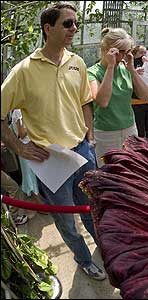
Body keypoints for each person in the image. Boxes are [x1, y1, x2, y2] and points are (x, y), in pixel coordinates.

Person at [1, 2, 106, 280]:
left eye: (75, 23)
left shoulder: (77, 63)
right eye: (67, 23)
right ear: (48, 29)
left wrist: (90, 138)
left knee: (91, 209)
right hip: (50, 160)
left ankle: (107, 250)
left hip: (82, 152)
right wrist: (18, 147)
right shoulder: (23, 71)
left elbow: (86, 102)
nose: (74, 28)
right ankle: (84, 260)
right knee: (66, 221)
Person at [88, 29, 148, 167]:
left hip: (130, 129)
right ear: (106, 49)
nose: (122, 57)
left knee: (131, 172)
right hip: (106, 134)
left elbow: (146, 96)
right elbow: (102, 101)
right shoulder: (92, 72)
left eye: (126, 52)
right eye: (119, 52)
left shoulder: (125, 68)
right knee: (110, 176)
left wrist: (132, 70)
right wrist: (110, 66)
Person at [10, 109, 43, 207]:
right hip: (27, 148)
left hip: (27, 148)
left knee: (32, 177)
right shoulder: (18, 111)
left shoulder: (17, 111)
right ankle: (39, 205)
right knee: (31, 177)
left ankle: (41, 204)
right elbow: (22, 133)